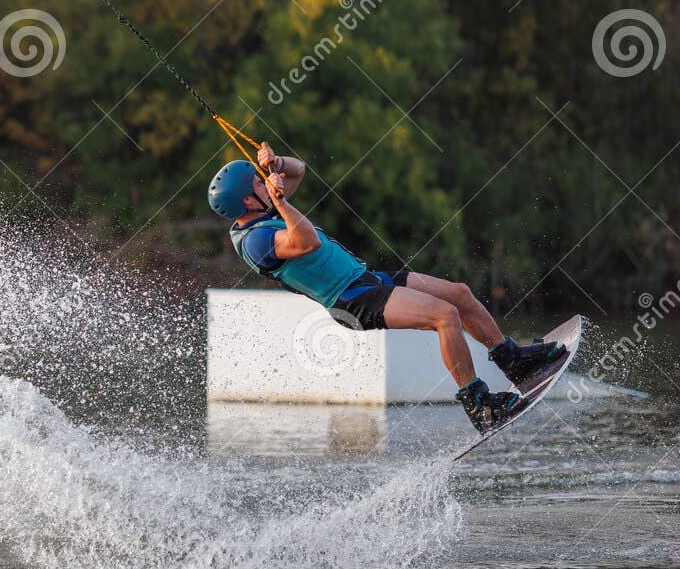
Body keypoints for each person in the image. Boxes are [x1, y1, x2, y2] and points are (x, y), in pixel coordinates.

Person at [207, 145, 565, 432]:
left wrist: (276, 163)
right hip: (352, 301)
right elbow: (307, 242)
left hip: (370, 280)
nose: (265, 183)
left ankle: (513, 362)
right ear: (247, 202)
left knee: (458, 294)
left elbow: (298, 170)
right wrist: (283, 202)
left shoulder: (265, 208)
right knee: (445, 316)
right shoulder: (255, 241)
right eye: (257, 183)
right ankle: (479, 406)